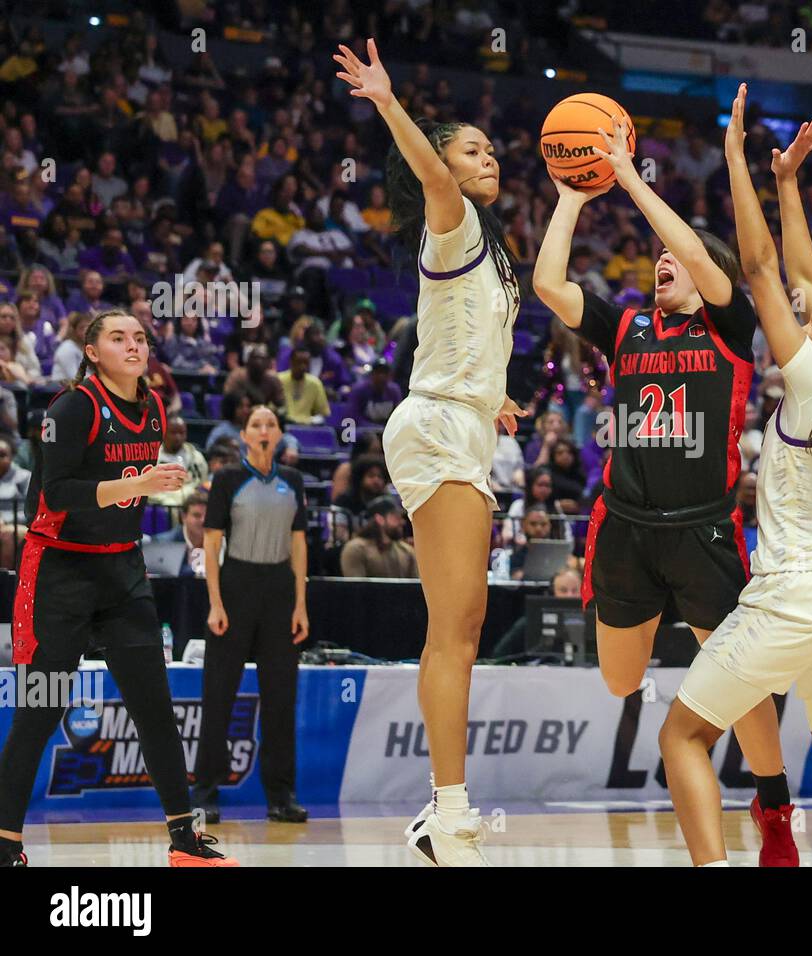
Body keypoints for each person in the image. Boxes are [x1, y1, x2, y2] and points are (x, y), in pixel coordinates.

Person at [534, 86, 797, 865]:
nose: (660, 265)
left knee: (740, 682)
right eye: (655, 262)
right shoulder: (627, 325)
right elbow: (550, 286)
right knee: (619, 681)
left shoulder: (731, 325)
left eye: (674, 259)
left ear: (706, 270)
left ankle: (774, 805)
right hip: (625, 528)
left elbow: (698, 255)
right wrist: (571, 196)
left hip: (706, 532)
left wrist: (630, 176)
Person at [659, 93, 812, 867]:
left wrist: (734, 161)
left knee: (684, 736)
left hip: (796, 588)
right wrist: (790, 184)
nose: (809, 318)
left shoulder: (811, 385)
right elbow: (803, 277)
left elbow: (765, 268)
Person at [336, 38, 523, 867]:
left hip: (467, 421)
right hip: (439, 427)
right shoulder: (451, 223)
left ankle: (443, 816)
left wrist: (499, 398)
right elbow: (435, 180)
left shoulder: (490, 250)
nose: (490, 157)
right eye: (471, 148)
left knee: (465, 626)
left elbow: (466, 342)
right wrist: (386, 101)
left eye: (490, 149)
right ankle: (447, 818)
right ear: (437, 168)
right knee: (452, 632)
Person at [0, 309, 234, 866]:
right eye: (117, 337)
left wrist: (143, 486)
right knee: (42, 709)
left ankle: (184, 839)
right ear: (91, 352)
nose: (133, 345)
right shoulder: (71, 407)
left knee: (154, 707)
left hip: (123, 570)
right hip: (60, 571)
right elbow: (54, 496)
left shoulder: (153, 407)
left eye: (139, 337)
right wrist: (139, 483)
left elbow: (124, 494)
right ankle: (6, 842)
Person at [193, 405, 309, 825]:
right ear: (244, 435)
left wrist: (300, 604)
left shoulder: (294, 481)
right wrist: (216, 602)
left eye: (271, 425)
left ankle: (282, 797)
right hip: (236, 586)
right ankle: (205, 793)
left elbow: (299, 545)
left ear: (279, 436)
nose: (264, 431)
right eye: (256, 425)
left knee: (280, 699)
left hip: (280, 591)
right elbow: (210, 545)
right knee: (218, 696)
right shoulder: (226, 479)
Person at [340, 495, 417, 578]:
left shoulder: (407, 551)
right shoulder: (356, 549)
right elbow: (355, 588)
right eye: (396, 517)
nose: (402, 522)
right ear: (380, 519)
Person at [154, 491, 207, 578]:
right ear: (183, 517)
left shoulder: (221, 541)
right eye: (197, 515)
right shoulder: (163, 544)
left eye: (207, 516)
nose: (203, 520)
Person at [278, 345, 331, 424]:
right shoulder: (279, 380)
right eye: (298, 362)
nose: (302, 366)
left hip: (307, 426)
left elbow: (323, 413)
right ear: (291, 361)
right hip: (284, 424)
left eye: (306, 363)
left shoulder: (315, 383)